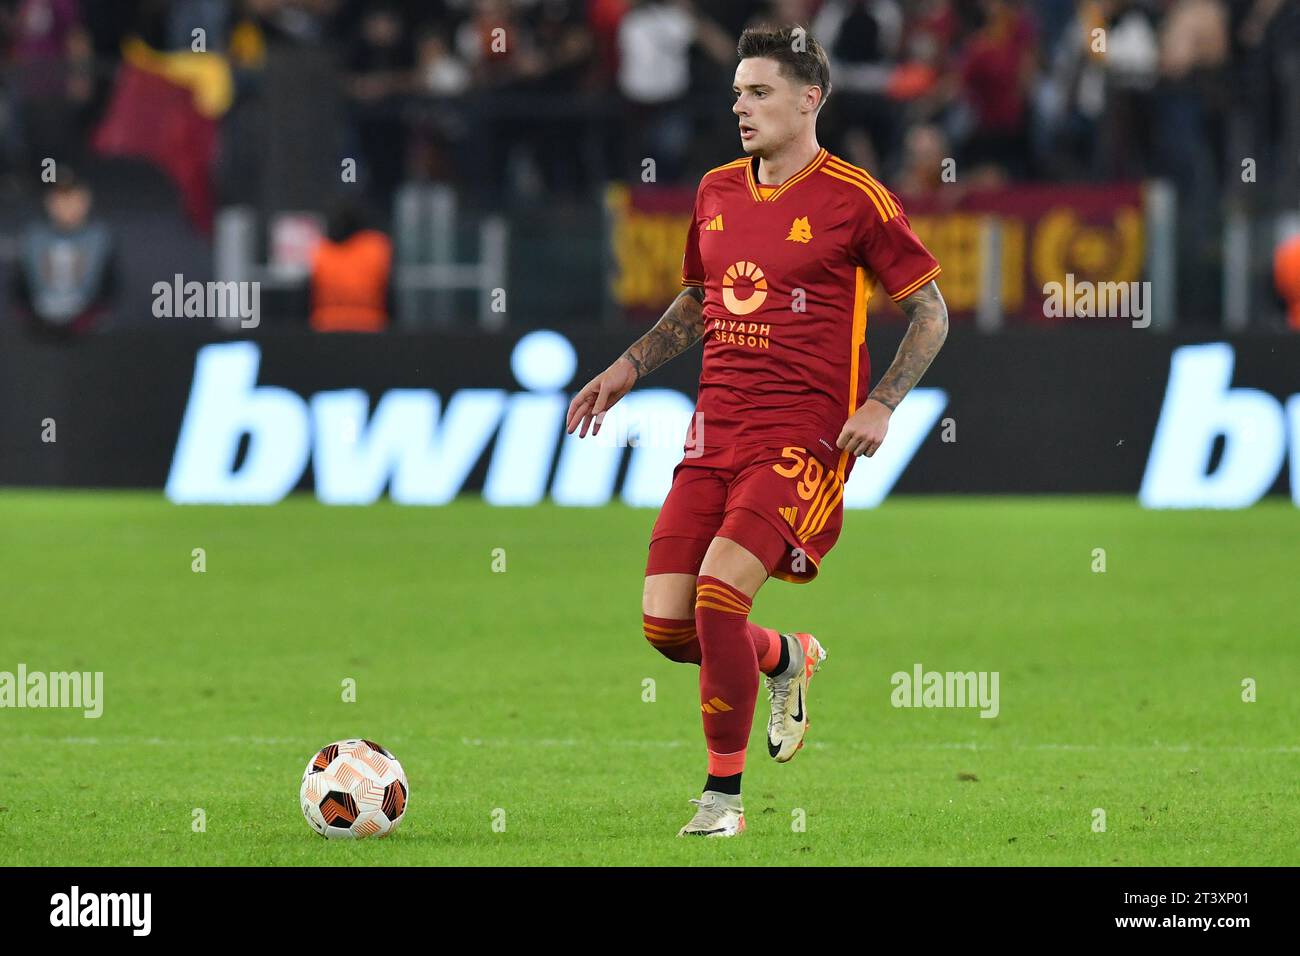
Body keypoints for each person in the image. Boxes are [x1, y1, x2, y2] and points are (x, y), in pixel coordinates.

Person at [565, 25, 949, 837]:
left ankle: (722, 801)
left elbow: (929, 311)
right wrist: (628, 367)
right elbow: (702, 301)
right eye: (738, 91)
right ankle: (785, 656)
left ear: (810, 100)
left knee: (717, 595)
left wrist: (882, 402)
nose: (740, 105)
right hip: (712, 436)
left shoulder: (856, 199)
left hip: (802, 439)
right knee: (669, 627)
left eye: (760, 91)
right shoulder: (715, 191)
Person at [13, 169, 115, 336]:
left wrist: (90, 318)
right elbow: (18, 288)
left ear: (85, 200)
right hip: (38, 327)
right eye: (59, 199)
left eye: (73, 198)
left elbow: (112, 289)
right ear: (49, 202)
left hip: (87, 328)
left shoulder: (101, 238)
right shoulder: (33, 238)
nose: (66, 206)